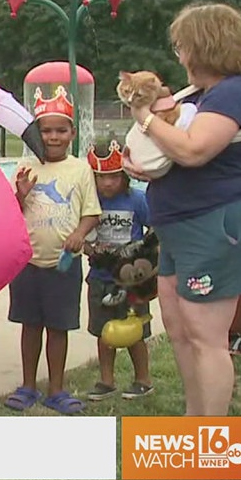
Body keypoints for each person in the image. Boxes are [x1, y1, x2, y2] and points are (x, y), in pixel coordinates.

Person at [123, 3, 241, 416]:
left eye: (182, 47)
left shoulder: (234, 91)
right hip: (181, 225)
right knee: (180, 328)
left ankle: (211, 436)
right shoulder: (202, 95)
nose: (180, 57)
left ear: (203, 46)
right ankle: (195, 421)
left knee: (206, 337)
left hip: (215, 221)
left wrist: (145, 119)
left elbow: (194, 150)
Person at [3, 89, 100, 415]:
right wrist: (20, 194)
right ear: (36, 133)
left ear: (72, 133)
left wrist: (79, 234)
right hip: (27, 262)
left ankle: (56, 389)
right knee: (30, 325)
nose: (53, 137)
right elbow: (9, 213)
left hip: (63, 264)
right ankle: (28, 385)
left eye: (61, 130)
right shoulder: (24, 167)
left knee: (58, 327)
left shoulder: (80, 170)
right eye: (46, 130)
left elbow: (91, 212)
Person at [84, 140, 154, 401]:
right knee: (104, 333)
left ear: (125, 175)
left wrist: (142, 254)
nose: (107, 183)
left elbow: (155, 228)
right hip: (100, 278)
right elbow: (81, 235)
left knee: (135, 332)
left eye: (114, 176)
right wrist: (91, 250)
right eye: (101, 177)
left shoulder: (137, 200)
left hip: (132, 281)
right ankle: (106, 381)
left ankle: (143, 380)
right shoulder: (89, 202)